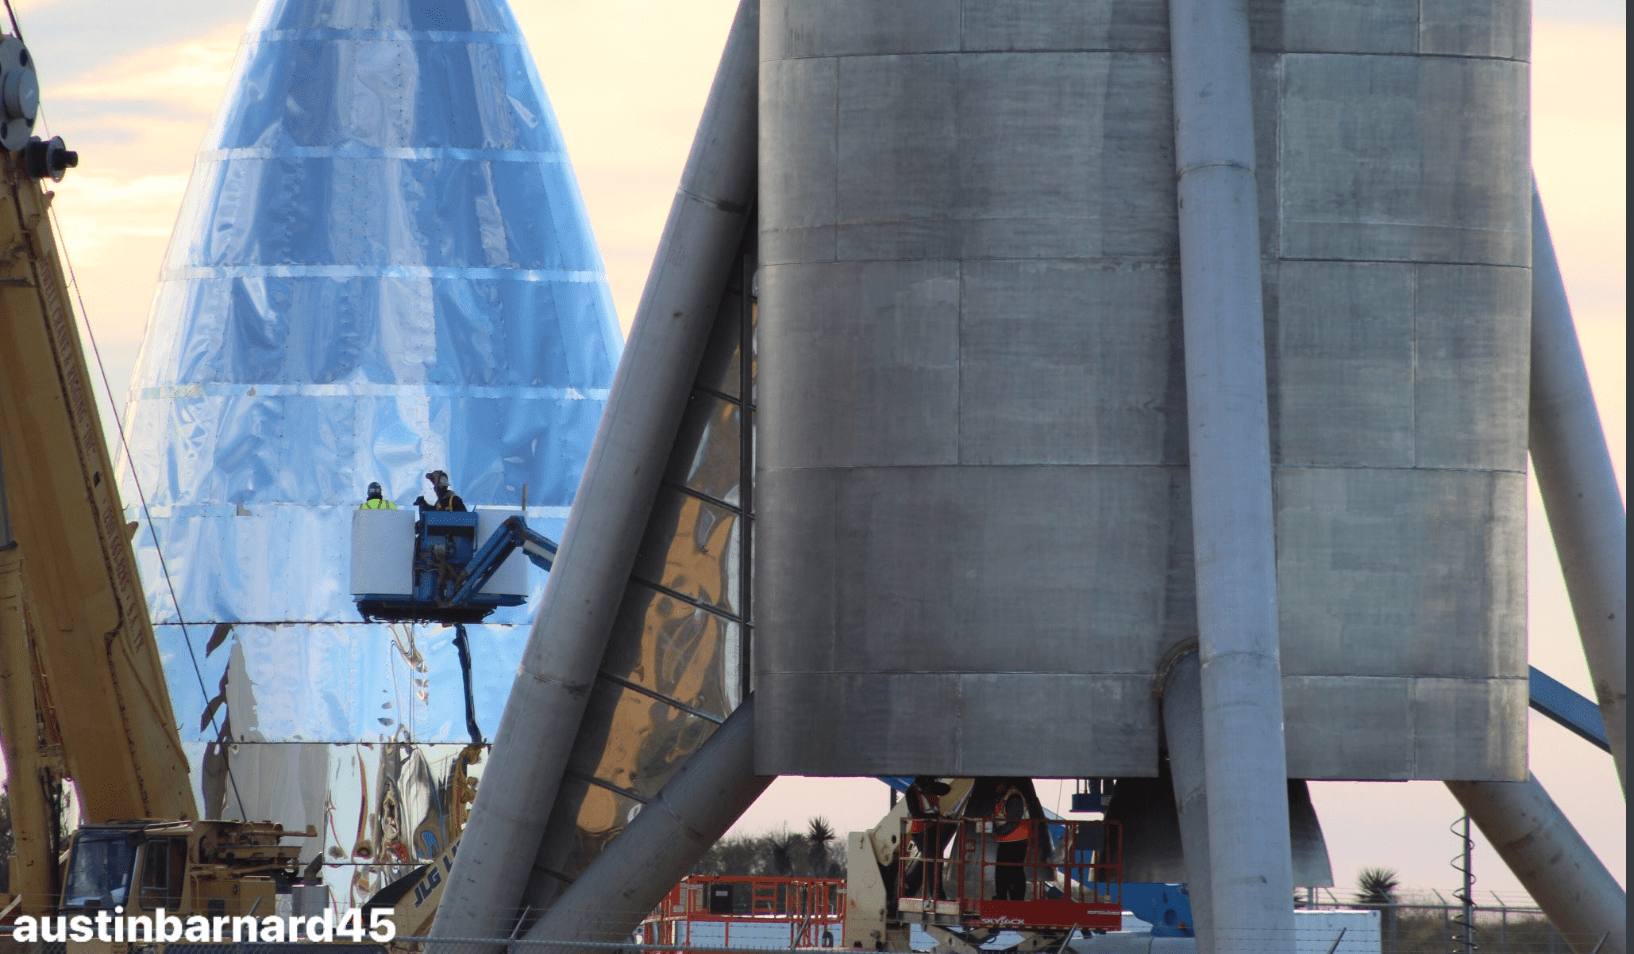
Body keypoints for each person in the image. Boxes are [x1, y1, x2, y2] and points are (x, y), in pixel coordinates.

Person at [902, 777, 953, 899]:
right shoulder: (912, 791)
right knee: (933, 861)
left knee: (935, 860)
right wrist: (933, 817)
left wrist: (933, 786)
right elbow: (915, 813)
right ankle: (937, 895)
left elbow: (946, 789)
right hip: (921, 831)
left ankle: (926, 890)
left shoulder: (930, 787)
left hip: (933, 829)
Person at [991, 778, 1031, 901]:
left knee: (1013, 873)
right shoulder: (1006, 797)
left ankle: (1015, 900)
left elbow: (1013, 822)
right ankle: (1002, 898)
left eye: (996, 784)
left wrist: (997, 832)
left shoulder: (1014, 797)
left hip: (1015, 842)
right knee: (1003, 872)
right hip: (1008, 841)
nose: (994, 788)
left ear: (1003, 784)